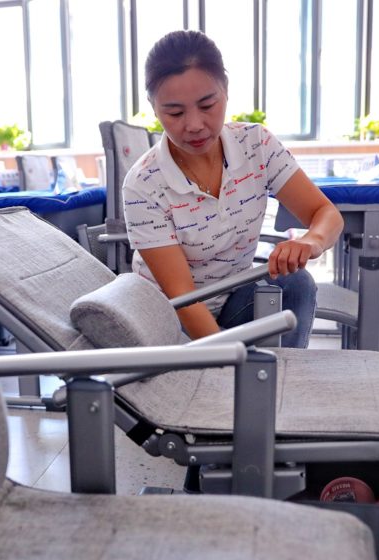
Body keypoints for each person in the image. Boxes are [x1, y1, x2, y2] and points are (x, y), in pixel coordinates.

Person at [123, 30, 344, 348]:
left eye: (207, 104)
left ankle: (284, 384)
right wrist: (229, 366)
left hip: (232, 301)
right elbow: (184, 299)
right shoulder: (143, 184)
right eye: (175, 112)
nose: (195, 124)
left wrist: (311, 242)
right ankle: (245, 383)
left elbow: (326, 213)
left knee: (295, 284)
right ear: (153, 107)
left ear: (225, 90)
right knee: (230, 370)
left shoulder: (256, 144)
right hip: (172, 324)